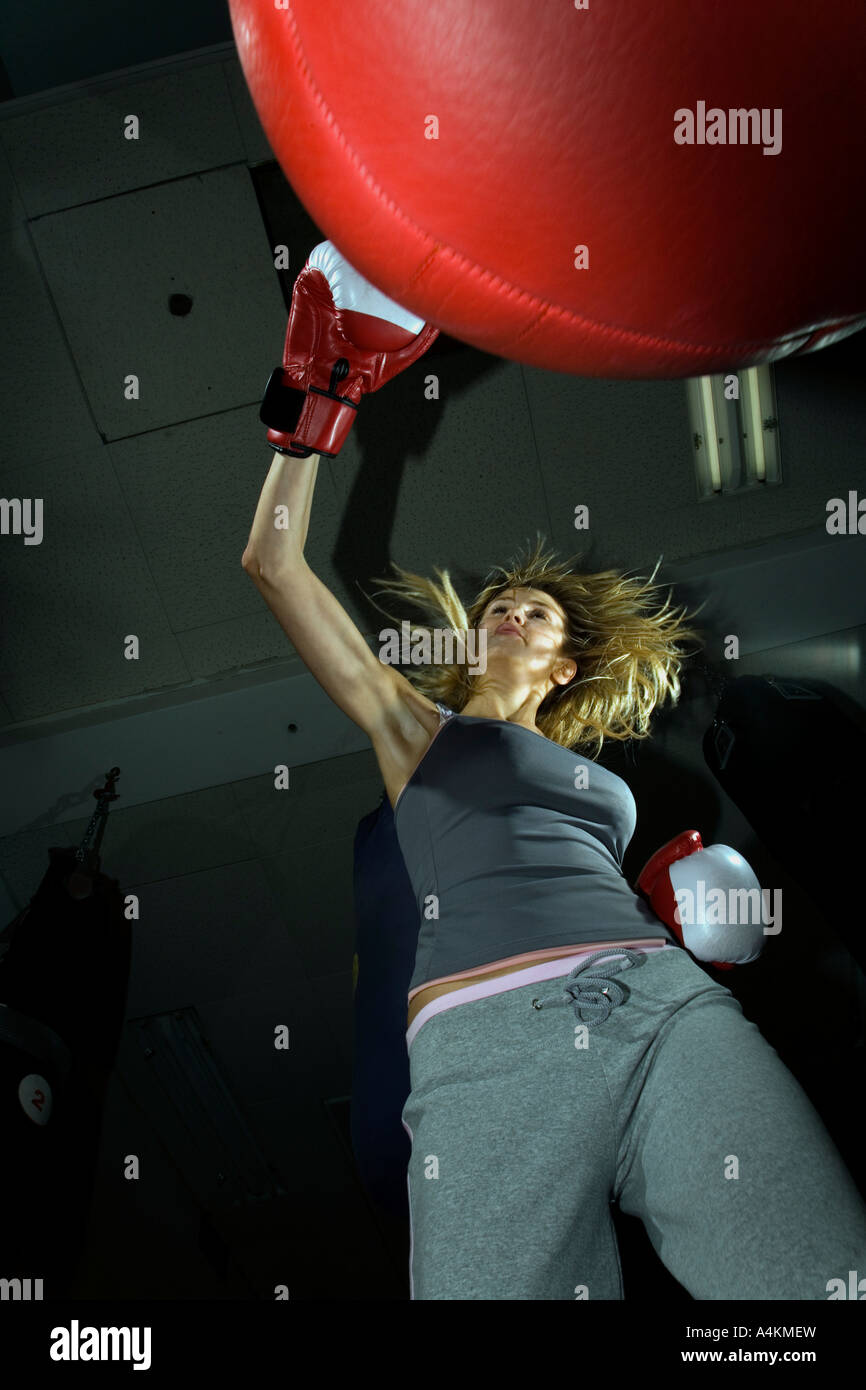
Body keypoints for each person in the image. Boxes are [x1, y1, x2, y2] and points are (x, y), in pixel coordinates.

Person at [243, 244, 866, 1299]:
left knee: (815, 1284)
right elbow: (271, 563)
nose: (508, 610)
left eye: (535, 611)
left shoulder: (604, 784)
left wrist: (669, 921)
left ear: (565, 662)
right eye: (497, 603)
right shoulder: (416, 730)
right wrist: (311, 406)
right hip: (491, 1044)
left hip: (660, 1007)